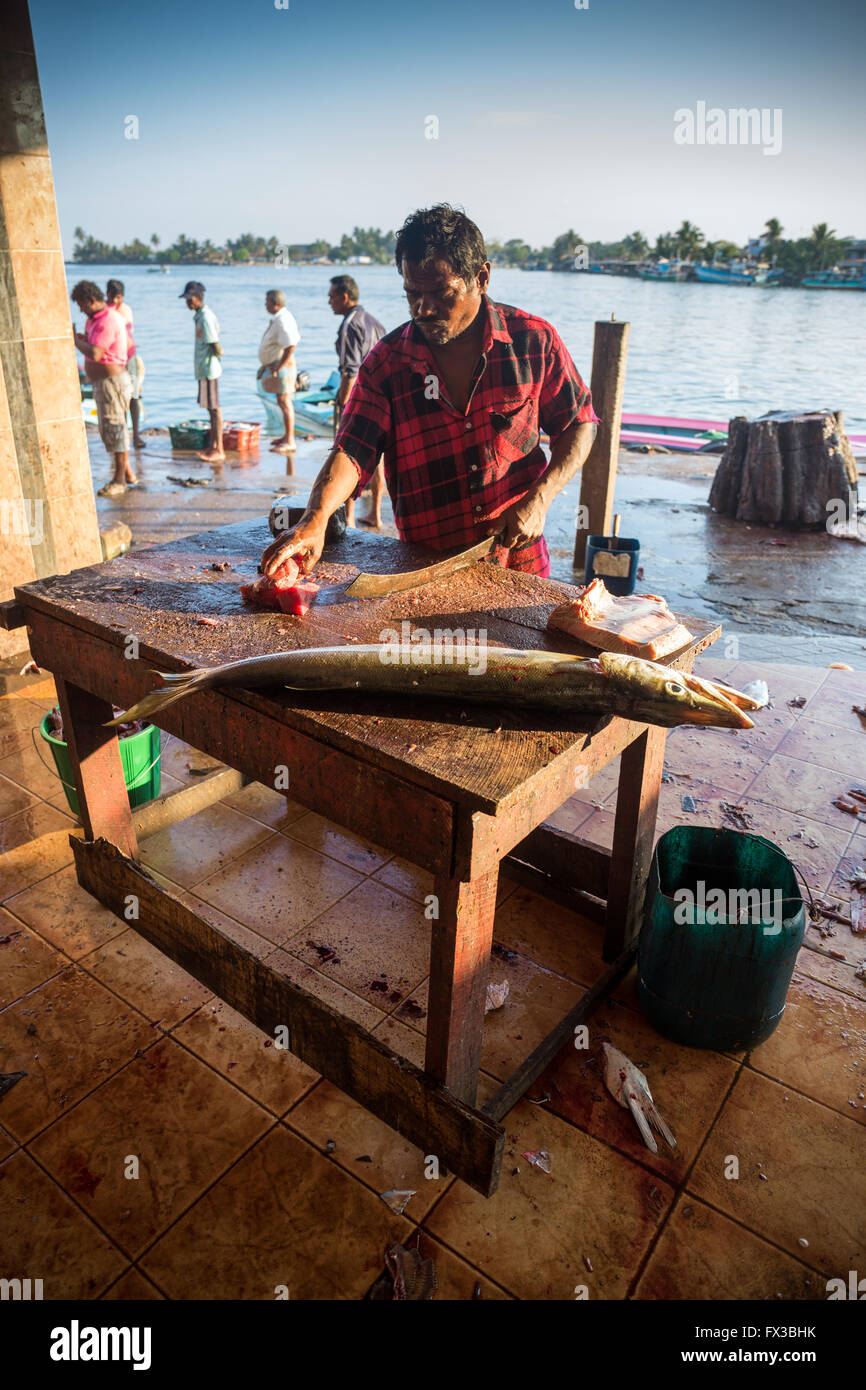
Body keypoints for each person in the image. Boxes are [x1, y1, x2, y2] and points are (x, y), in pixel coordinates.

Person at [262, 204, 597, 583]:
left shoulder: (534, 340)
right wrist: (315, 519)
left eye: (442, 293)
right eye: (412, 294)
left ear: (482, 278)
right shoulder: (386, 364)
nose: (424, 309)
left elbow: (579, 425)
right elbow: (353, 452)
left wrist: (540, 499)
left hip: (521, 567)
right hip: (424, 571)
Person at [327, 274, 386, 527]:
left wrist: (343, 404)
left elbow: (349, 371)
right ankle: (376, 514)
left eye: (331, 297)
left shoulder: (350, 324)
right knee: (379, 460)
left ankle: (349, 517)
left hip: (360, 400)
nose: (329, 302)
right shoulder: (374, 322)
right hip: (382, 399)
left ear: (345, 296)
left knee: (349, 457)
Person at [71, 280, 137, 497]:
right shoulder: (95, 320)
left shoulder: (108, 319)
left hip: (112, 382)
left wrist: (75, 341)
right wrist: (84, 339)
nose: (81, 310)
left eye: (82, 305)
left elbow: (97, 353)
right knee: (109, 429)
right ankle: (125, 473)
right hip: (104, 382)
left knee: (116, 428)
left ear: (91, 300)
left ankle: (119, 480)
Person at [180, 280, 224, 462]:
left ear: (199, 298)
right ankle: (213, 444)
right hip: (204, 369)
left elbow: (215, 345)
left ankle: (218, 448)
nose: (188, 302)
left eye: (190, 299)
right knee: (209, 409)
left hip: (209, 370)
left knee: (214, 409)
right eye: (186, 299)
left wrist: (216, 359)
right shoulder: (199, 316)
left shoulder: (205, 318)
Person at [256, 289, 300, 456]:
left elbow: (291, 344)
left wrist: (279, 366)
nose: (265, 304)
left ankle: (290, 440)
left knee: (284, 401)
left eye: (267, 301)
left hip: (283, 366)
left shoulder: (282, 319)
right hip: (278, 365)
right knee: (281, 401)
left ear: (275, 303)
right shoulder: (279, 318)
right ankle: (286, 436)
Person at [106, 278, 146, 449]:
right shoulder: (105, 311)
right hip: (114, 361)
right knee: (117, 398)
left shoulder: (126, 310)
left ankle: (135, 435)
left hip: (129, 358)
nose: (115, 301)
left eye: (119, 297)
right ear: (107, 294)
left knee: (133, 397)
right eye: (112, 297)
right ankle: (122, 437)